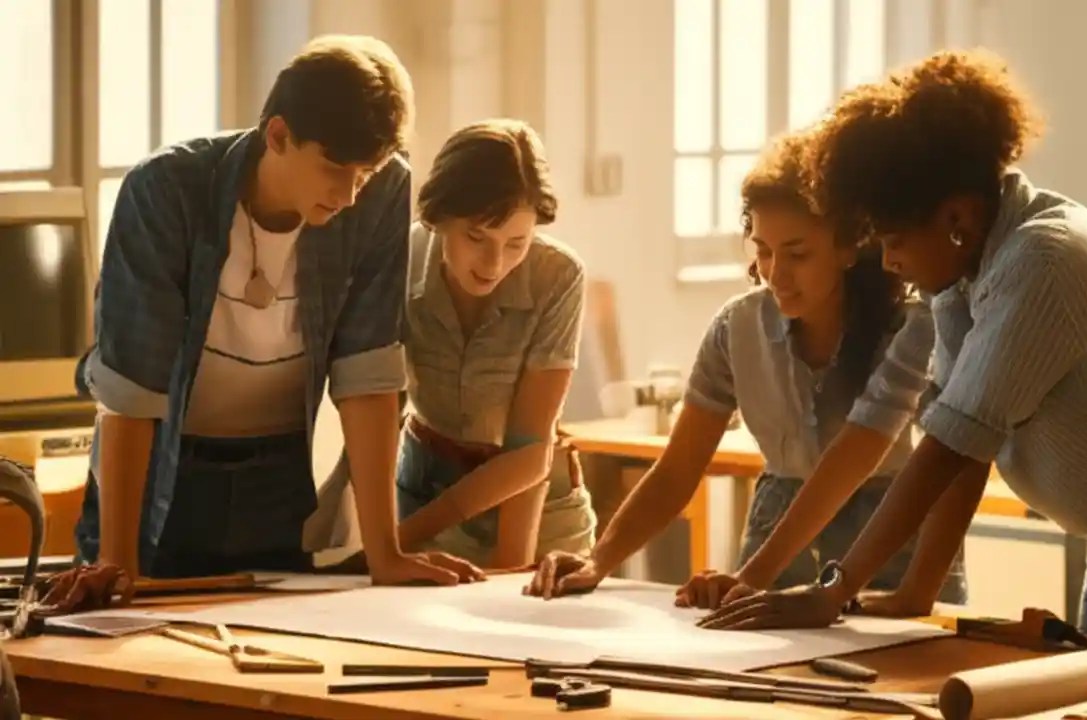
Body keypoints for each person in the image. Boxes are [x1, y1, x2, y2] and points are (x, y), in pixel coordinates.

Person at [699, 49, 1087, 640]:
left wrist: (834, 588)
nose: (889, 261)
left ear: (956, 217)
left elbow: (948, 447)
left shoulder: (1040, 260)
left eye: (895, 241)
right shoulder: (965, 273)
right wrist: (916, 592)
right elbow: (966, 443)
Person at [67, 35, 483, 589]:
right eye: (335, 168)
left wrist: (386, 554)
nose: (350, 194)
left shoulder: (381, 191)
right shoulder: (166, 189)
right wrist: (116, 562)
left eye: (365, 174)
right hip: (163, 470)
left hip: (277, 474)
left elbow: (368, 373)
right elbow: (131, 388)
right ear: (279, 135)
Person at [525, 129, 967, 605]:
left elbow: (860, 455)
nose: (777, 273)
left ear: (848, 247)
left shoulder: (910, 328)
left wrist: (751, 577)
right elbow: (678, 470)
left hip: (888, 540)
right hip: (775, 540)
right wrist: (599, 559)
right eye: (763, 250)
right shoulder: (738, 327)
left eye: (797, 254)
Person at [393, 119, 597, 569]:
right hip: (424, 492)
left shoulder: (558, 276)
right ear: (439, 217)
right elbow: (375, 399)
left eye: (516, 243)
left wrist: (511, 571)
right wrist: (386, 545)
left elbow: (528, 450)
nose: (493, 263)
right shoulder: (401, 257)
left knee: (521, 611)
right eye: (476, 237)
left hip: (538, 512)